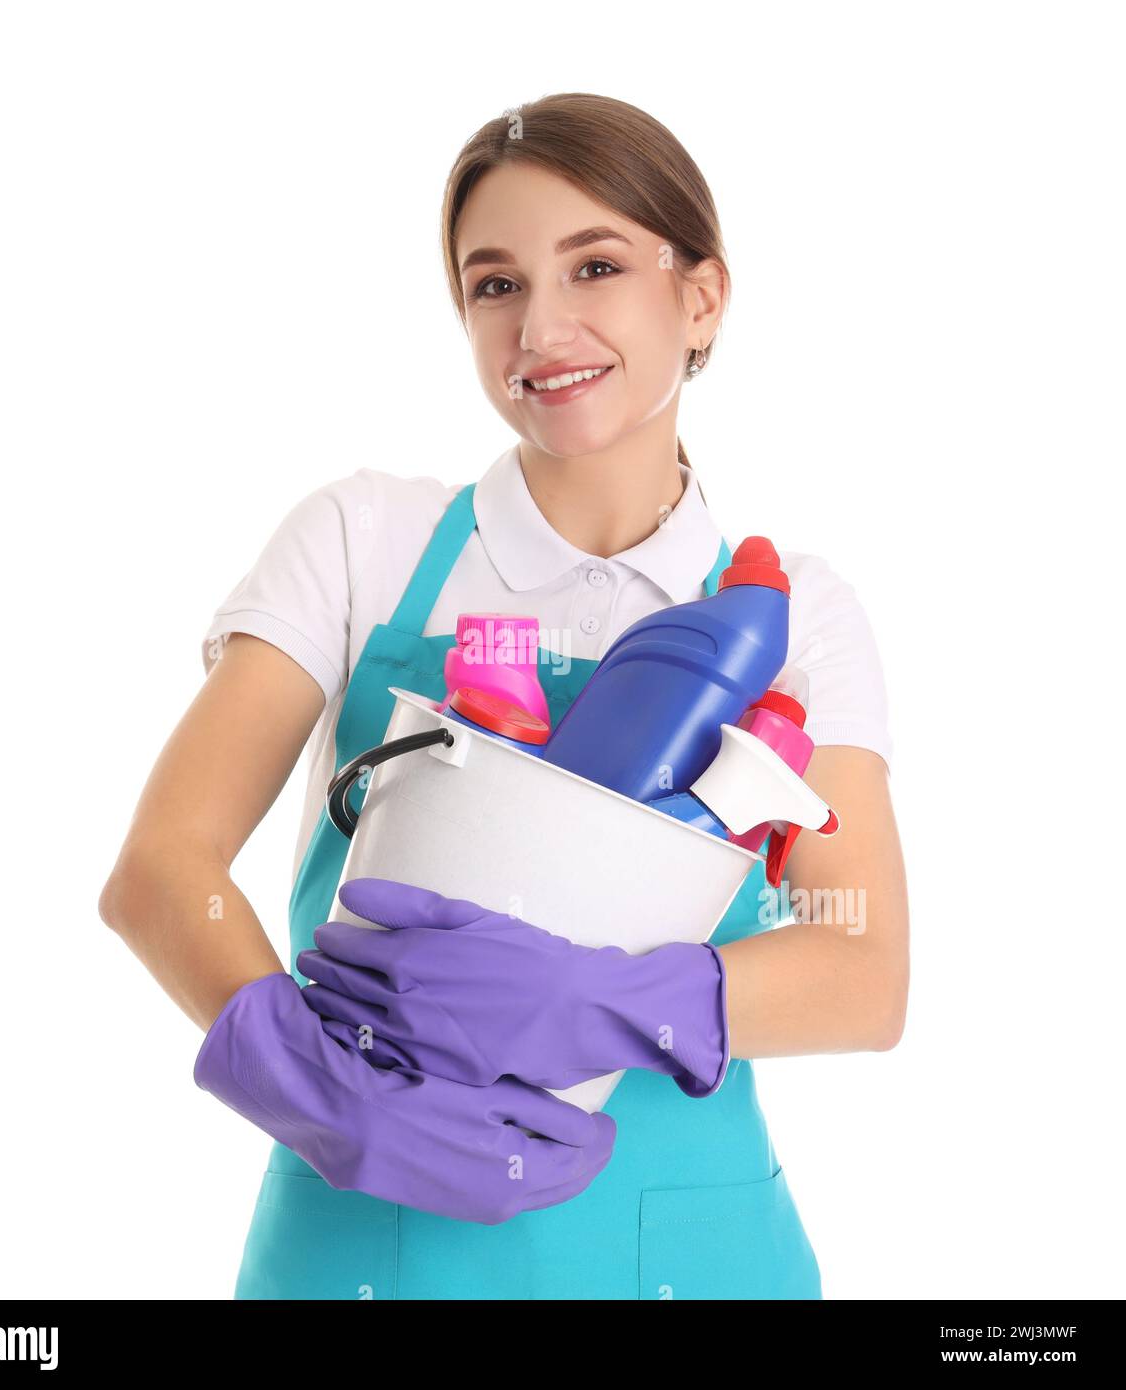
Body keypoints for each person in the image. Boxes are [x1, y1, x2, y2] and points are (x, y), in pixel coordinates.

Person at [99, 91, 909, 1300]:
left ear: (699, 296)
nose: (543, 323)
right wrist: (315, 1089)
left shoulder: (797, 617)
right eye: (495, 284)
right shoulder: (367, 542)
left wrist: (614, 1001)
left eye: (595, 265)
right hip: (365, 1232)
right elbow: (163, 868)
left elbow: (862, 965)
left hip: (686, 1255)